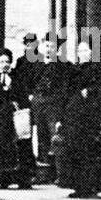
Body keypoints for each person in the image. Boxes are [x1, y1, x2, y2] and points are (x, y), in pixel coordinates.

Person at [59, 41, 101, 198]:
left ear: (91, 52)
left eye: (85, 50)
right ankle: (79, 187)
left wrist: (91, 90)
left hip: (92, 118)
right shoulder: (74, 71)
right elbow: (65, 95)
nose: (83, 53)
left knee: (92, 152)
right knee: (75, 151)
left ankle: (92, 186)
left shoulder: (99, 70)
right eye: (80, 51)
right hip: (74, 118)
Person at [0, 49, 36, 189]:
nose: (4, 64)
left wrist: (12, 93)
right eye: (1, 62)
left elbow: (22, 98)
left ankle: (15, 177)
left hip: (12, 122)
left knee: (15, 149)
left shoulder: (16, 79)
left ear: (11, 63)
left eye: (7, 62)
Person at [31, 36, 72, 171]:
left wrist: (58, 104)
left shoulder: (64, 65)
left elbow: (65, 88)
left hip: (53, 105)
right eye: (47, 46)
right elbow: (29, 81)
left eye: (52, 47)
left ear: (57, 49)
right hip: (38, 104)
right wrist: (32, 96)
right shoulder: (38, 63)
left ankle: (58, 171)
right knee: (41, 135)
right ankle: (44, 170)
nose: (49, 49)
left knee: (54, 135)